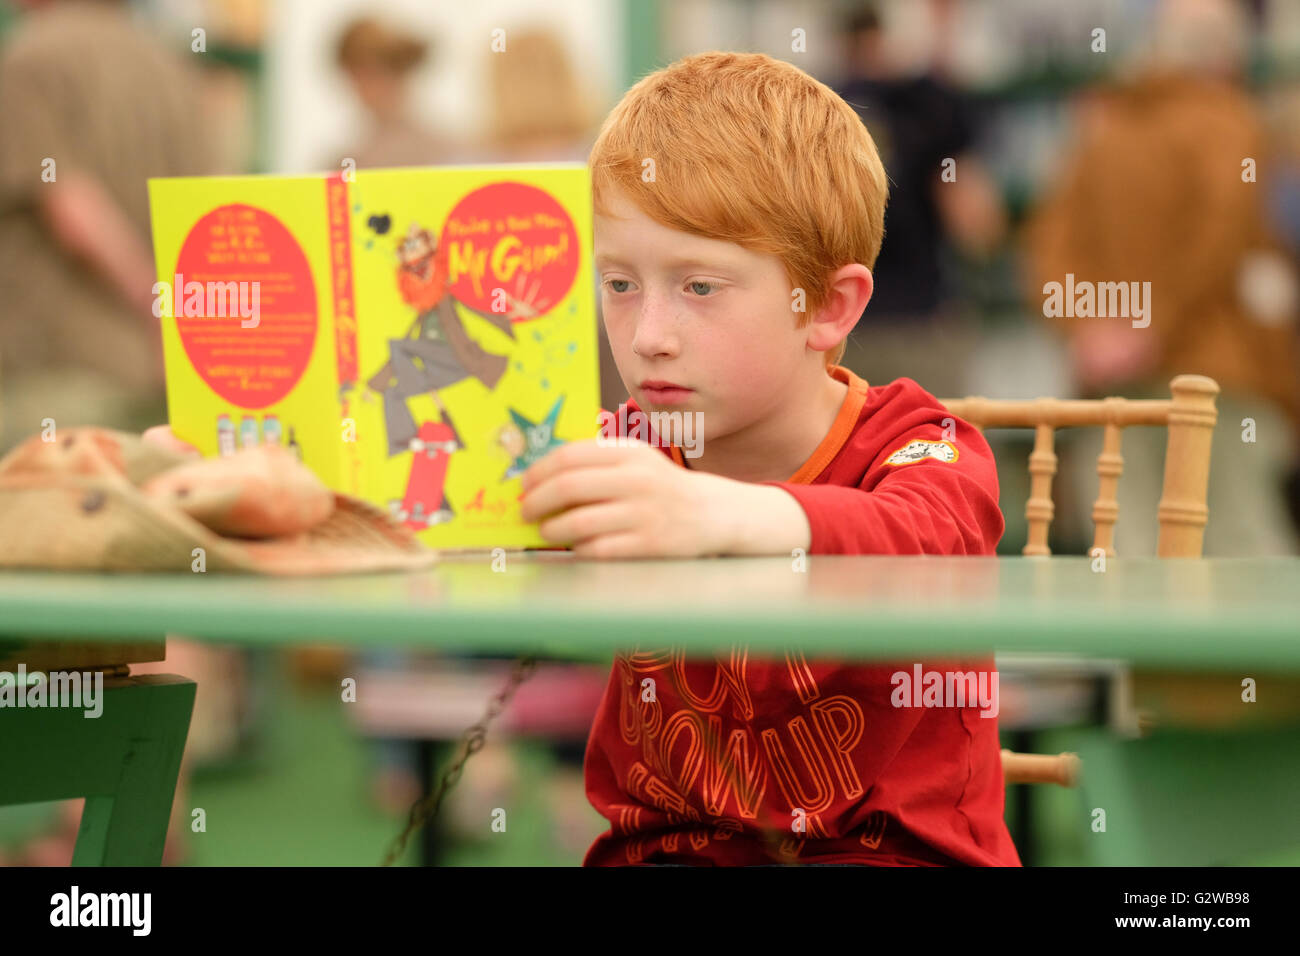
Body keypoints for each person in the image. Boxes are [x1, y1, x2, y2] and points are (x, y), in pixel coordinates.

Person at [515, 51, 1018, 865]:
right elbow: (434, 521)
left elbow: (935, 540)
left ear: (826, 305)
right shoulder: (621, 452)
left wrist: (713, 513)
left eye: (700, 287)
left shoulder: (917, 443)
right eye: (619, 284)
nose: (647, 337)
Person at [1022, 0, 1300, 557]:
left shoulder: (1104, 130)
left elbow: (1048, 241)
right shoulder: (1229, 122)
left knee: (1134, 551)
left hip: (1113, 387)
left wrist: (1090, 331)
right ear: (1228, 59)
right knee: (1241, 550)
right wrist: (1151, 331)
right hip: (1217, 374)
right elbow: (1219, 238)